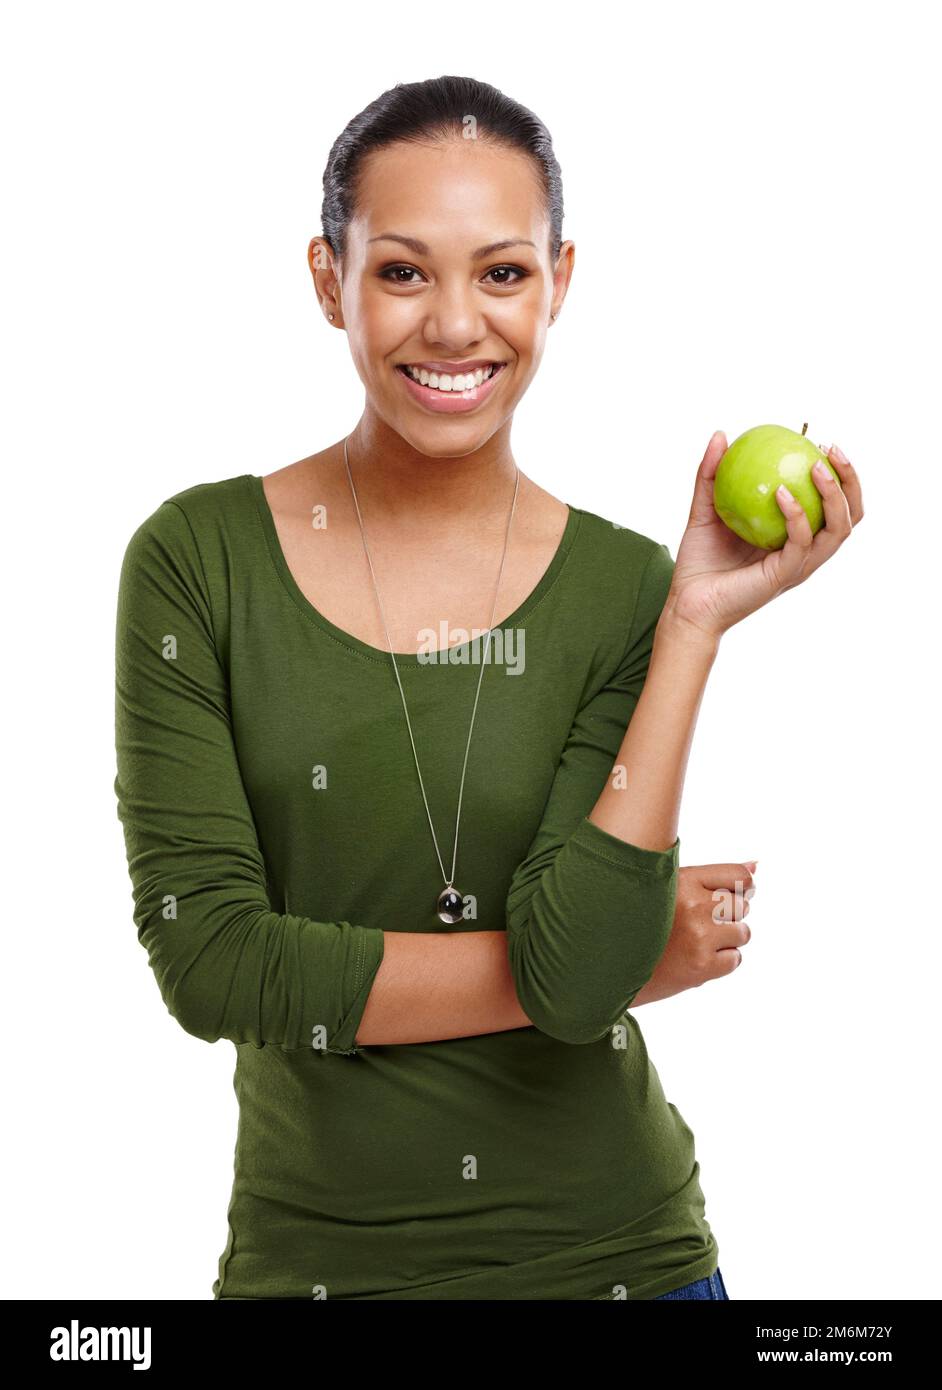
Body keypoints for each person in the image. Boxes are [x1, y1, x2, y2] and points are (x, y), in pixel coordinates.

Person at [113, 74, 863, 1301]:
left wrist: (691, 622)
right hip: (319, 1272)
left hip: (625, 1264)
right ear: (327, 279)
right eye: (403, 271)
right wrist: (625, 958)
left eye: (503, 273)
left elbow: (580, 988)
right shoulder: (198, 563)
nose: (457, 324)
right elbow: (217, 966)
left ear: (560, 281)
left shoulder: (628, 589)